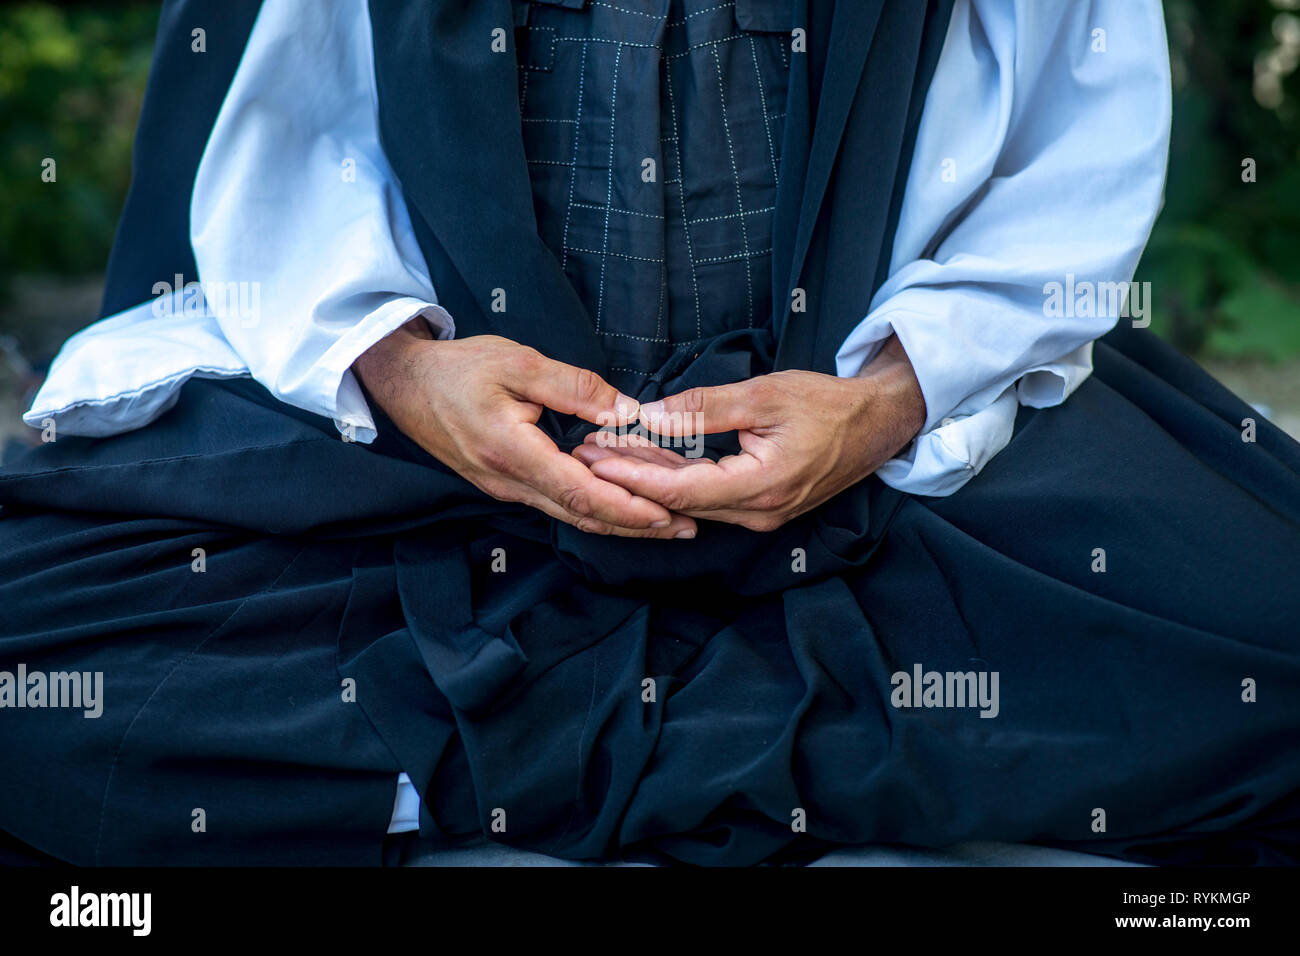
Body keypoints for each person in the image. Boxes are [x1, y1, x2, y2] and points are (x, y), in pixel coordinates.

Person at [2, 0, 1298, 867]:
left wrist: (879, 404)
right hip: (431, 464)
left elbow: (1070, 137)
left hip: (880, 451)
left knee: (1270, 643)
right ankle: (805, 732)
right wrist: (404, 374)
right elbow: (296, 122)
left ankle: (487, 743)